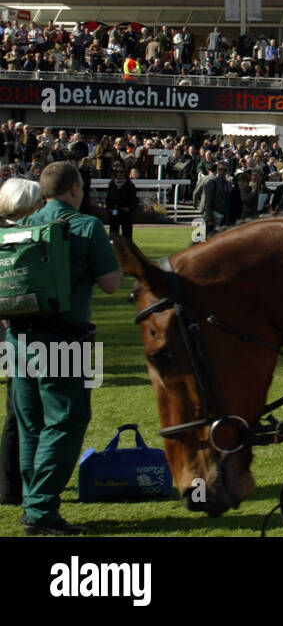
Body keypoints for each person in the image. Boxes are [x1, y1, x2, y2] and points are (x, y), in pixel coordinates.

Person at [8, 163, 121, 534]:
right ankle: (41, 511)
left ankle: (31, 502)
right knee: (66, 420)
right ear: (74, 188)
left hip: (18, 338)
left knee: (30, 424)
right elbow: (111, 284)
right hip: (64, 338)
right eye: (83, 186)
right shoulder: (86, 226)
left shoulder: (23, 222)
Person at [0, 178, 46, 508]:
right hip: (28, 332)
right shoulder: (29, 235)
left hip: (13, 332)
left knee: (16, 411)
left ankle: (11, 486)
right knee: (30, 414)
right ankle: (24, 489)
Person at [103, 163, 138, 242]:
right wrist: (109, 209)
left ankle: (128, 252)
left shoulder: (129, 185)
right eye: (117, 172)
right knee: (113, 235)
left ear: (125, 173)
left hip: (125, 212)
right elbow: (108, 198)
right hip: (114, 212)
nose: (119, 174)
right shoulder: (112, 184)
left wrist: (129, 208)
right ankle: (114, 252)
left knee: (127, 236)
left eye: (121, 172)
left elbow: (134, 200)